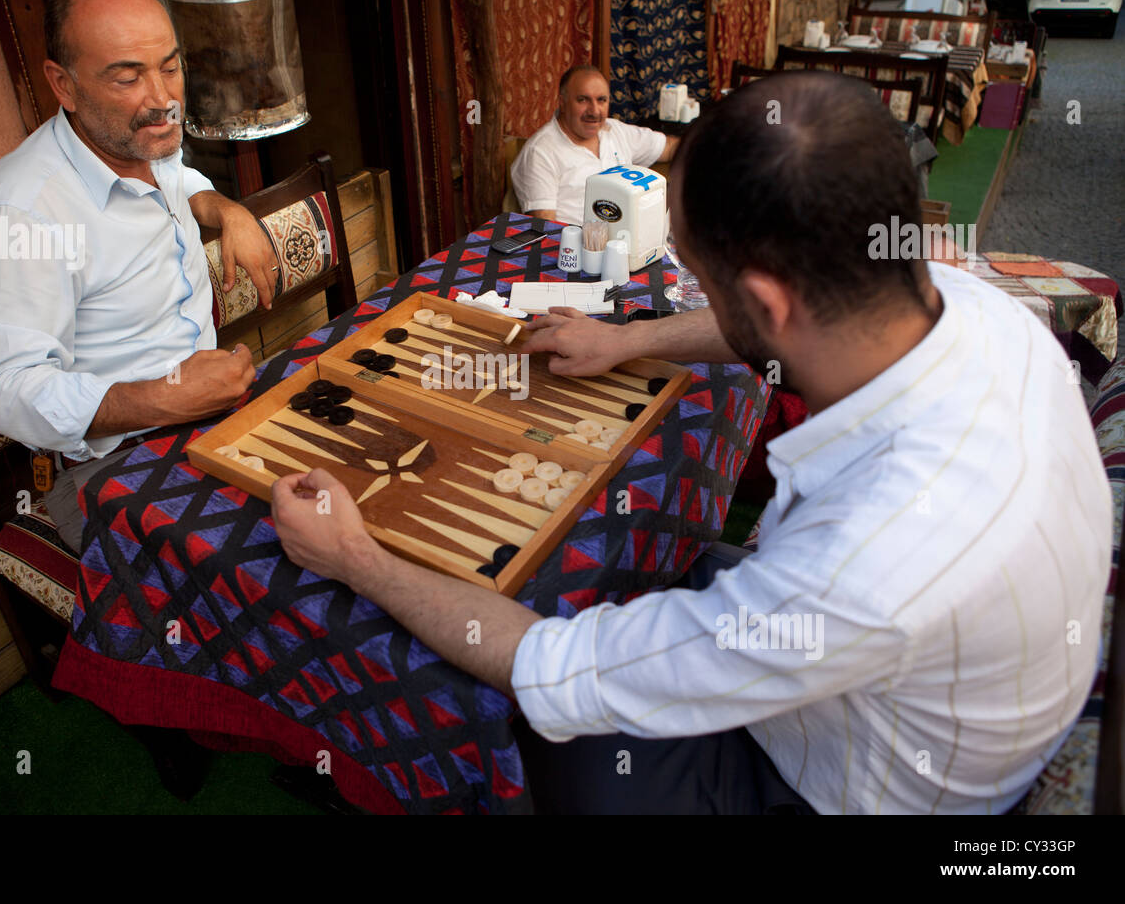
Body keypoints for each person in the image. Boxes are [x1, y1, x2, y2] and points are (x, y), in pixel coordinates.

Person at [271, 71, 1111, 814]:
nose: (687, 284)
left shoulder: (859, 569)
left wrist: (358, 556)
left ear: (767, 301)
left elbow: (551, 669)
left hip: (853, 785)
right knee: (668, 566)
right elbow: (780, 318)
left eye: (696, 274)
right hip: (934, 686)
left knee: (559, 740)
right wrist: (628, 341)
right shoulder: (979, 311)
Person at [0, 0, 277, 552]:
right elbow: (7, 390)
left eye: (171, 67)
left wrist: (226, 209)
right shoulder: (19, 214)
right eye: (127, 77)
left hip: (216, 418)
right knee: (263, 588)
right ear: (65, 85)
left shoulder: (141, 139)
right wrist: (163, 397)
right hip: (114, 468)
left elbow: (180, 181)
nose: (162, 98)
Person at [510, 65, 679, 226]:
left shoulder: (615, 131)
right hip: (578, 251)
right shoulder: (540, 152)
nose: (594, 111)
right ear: (563, 102)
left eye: (601, 100)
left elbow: (670, 147)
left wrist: (702, 148)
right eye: (583, 100)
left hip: (634, 243)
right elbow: (545, 227)